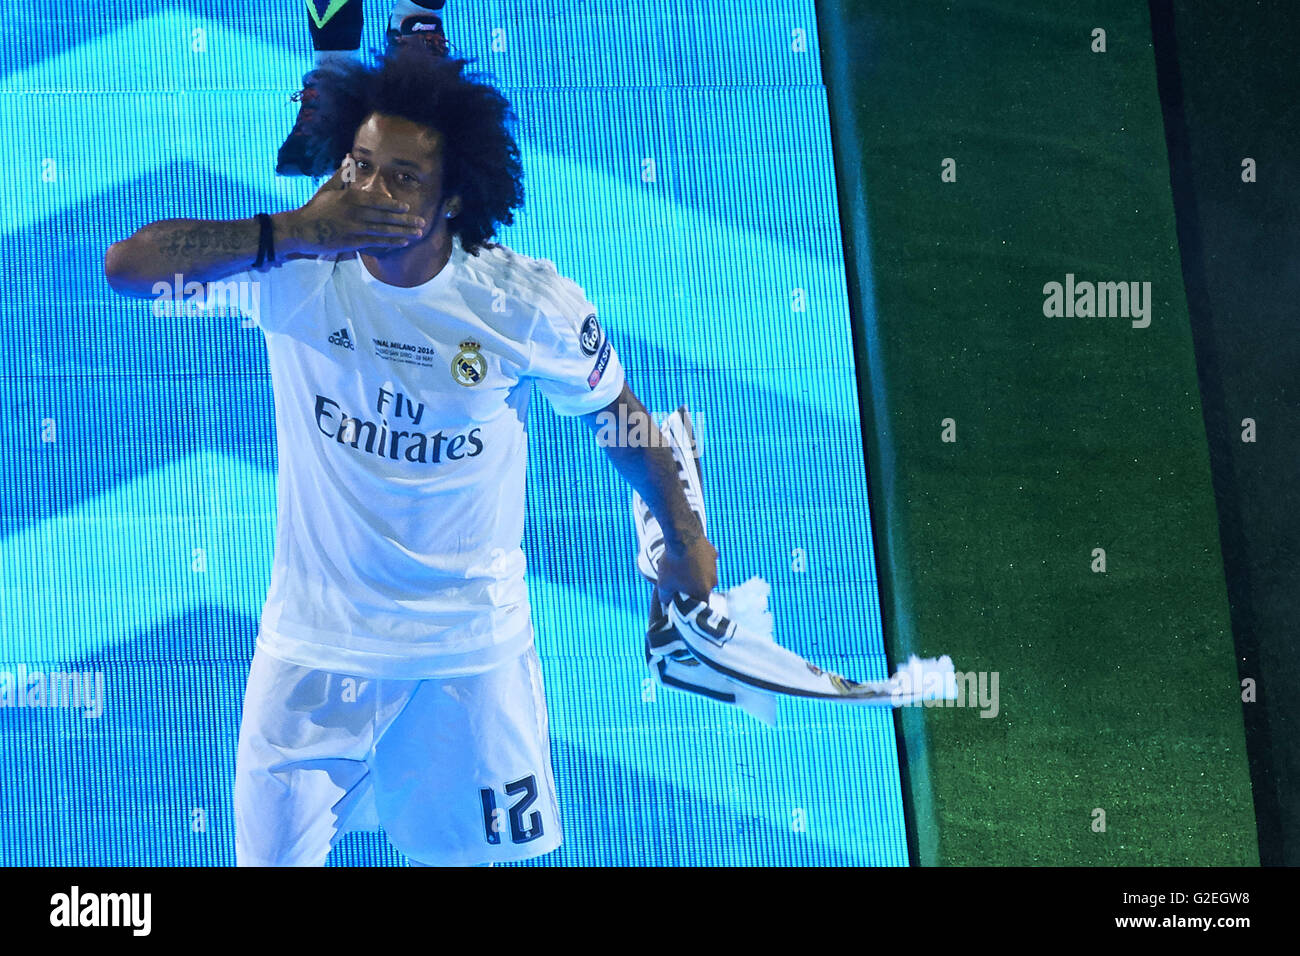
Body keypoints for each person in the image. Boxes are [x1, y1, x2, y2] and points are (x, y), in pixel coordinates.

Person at [102, 42, 718, 866]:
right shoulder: (293, 271)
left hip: (468, 658)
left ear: (452, 197)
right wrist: (286, 231)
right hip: (312, 655)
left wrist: (685, 542)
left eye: (401, 177)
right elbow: (128, 269)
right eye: (359, 166)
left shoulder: (520, 304)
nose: (370, 192)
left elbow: (622, 421)